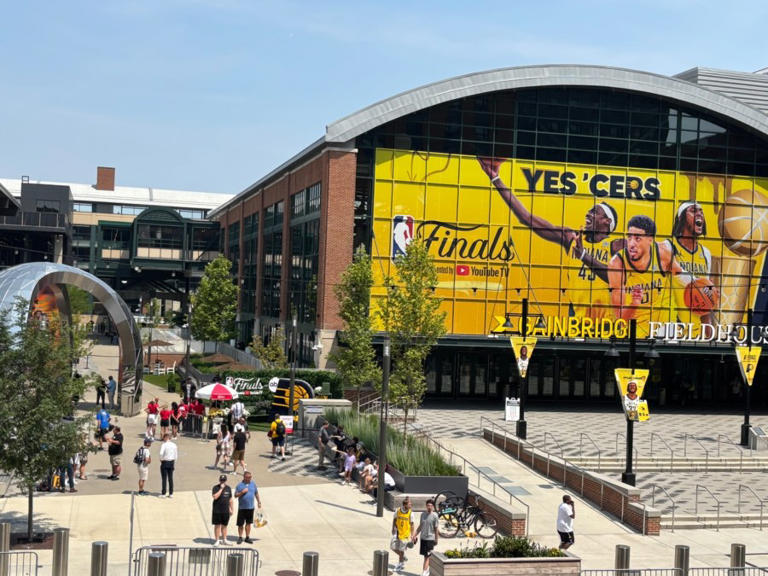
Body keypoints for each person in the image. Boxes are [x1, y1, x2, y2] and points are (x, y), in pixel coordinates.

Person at [478, 156, 622, 320]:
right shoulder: (572, 238)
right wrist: (496, 179)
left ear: (607, 221)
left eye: (595, 212)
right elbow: (526, 218)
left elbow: (615, 278)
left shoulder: (615, 246)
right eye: (589, 211)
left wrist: (583, 255)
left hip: (608, 322)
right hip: (578, 321)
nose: (588, 214)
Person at [608, 215, 692, 338]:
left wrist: (704, 286)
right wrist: (634, 303)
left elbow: (682, 276)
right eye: (629, 237)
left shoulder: (662, 254)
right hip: (637, 332)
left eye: (637, 239)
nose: (631, 244)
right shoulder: (617, 264)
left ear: (650, 239)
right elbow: (621, 318)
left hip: (665, 326)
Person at [669, 201, 717, 326]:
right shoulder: (669, 246)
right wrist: (702, 287)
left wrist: (709, 332)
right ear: (682, 218)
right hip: (672, 326)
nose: (699, 214)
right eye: (693, 211)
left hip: (695, 328)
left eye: (701, 211)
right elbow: (676, 272)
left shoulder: (705, 253)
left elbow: (706, 300)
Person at [234, 471, 262, 545]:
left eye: (250, 477)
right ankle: (240, 537)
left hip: (250, 507)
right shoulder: (239, 485)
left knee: (248, 523)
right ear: (244, 477)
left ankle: (247, 537)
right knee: (240, 524)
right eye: (248, 477)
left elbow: (256, 493)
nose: (249, 478)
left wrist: (259, 502)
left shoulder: (253, 484)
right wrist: (242, 492)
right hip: (242, 508)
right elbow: (235, 495)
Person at [413, 498, 439, 576]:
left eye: (431, 505)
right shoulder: (423, 515)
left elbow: (436, 529)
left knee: (427, 556)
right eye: (428, 505)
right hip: (423, 538)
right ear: (426, 506)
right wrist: (414, 535)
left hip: (430, 539)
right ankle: (426, 570)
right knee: (425, 556)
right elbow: (420, 526)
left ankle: (424, 572)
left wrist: (436, 539)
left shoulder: (435, 516)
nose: (429, 507)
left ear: (433, 506)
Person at [391, 497, 414, 573]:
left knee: (401, 550)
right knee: (392, 547)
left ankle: (400, 564)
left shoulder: (411, 513)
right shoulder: (398, 510)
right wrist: (393, 528)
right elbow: (394, 519)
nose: (411, 505)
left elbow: (412, 524)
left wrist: (412, 535)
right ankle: (403, 557)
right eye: (409, 504)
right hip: (397, 532)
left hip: (405, 535)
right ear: (405, 505)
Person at [212, 474, 234, 546]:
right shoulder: (215, 488)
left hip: (225, 510)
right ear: (219, 480)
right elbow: (215, 497)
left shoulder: (228, 488)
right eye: (221, 480)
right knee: (217, 525)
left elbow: (230, 499)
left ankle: (225, 539)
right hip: (217, 510)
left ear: (226, 480)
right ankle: (217, 540)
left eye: (223, 480)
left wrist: (231, 509)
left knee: (224, 525)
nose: (222, 482)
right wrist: (221, 489)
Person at [159, 433, 178, 498]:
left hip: (165, 462)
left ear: (166, 438)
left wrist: (161, 459)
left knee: (164, 478)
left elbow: (161, 453)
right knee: (170, 478)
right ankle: (171, 493)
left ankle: (163, 493)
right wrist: (174, 462)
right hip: (171, 462)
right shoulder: (174, 445)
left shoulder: (164, 445)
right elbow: (176, 455)